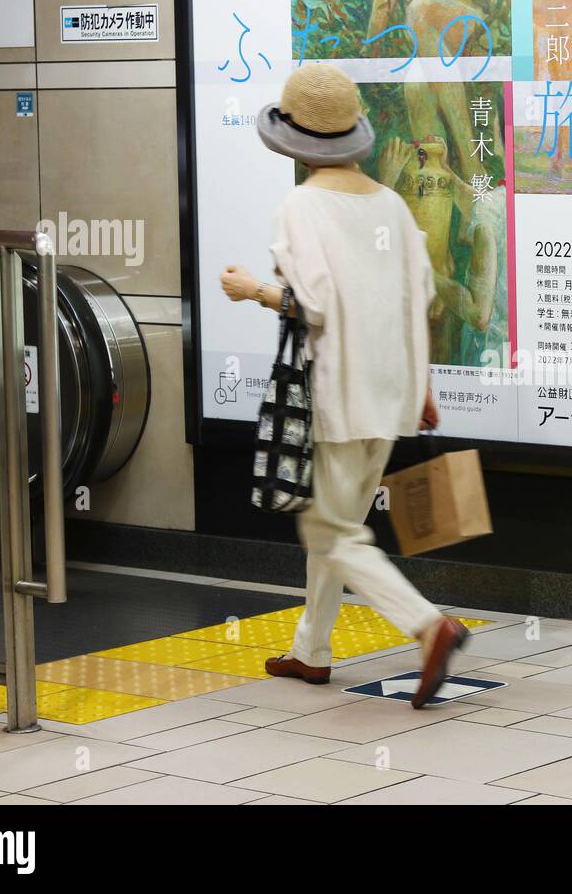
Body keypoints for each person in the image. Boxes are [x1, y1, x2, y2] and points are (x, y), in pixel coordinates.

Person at [219, 63, 469, 709]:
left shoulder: (301, 205)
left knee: (331, 532)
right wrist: (425, 387)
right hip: (391, 392)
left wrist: (255, 290)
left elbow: (316, 305)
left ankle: (427, 625)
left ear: (294, 139)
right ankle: (312, 651)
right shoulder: (390, 204)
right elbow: (420, 300)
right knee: (341, 525)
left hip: (337, 391)